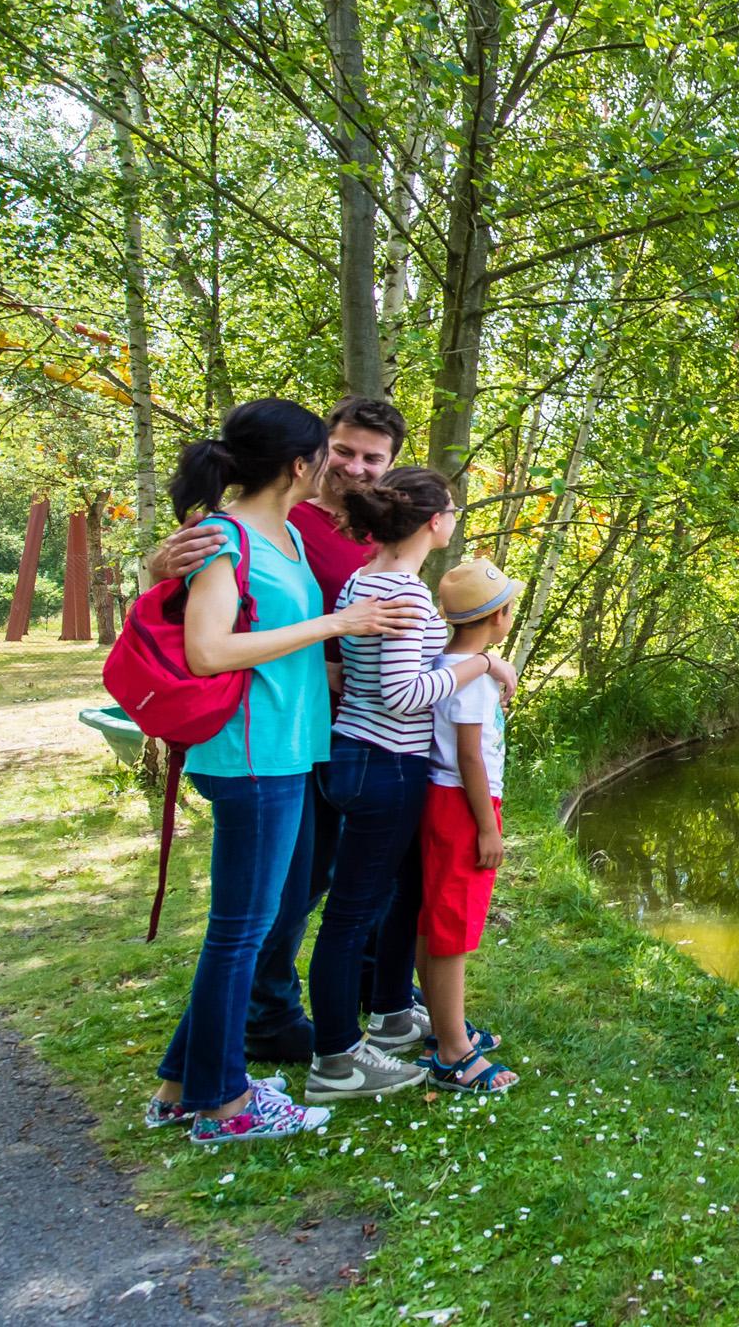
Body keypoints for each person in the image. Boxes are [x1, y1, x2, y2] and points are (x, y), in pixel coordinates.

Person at [143, 399, 413, 1143]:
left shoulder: (288, 533)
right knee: (240, 933)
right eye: (331, 453)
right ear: (304, 462)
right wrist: (337, 624)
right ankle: (225, 1105)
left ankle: (177, 1086)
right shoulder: (227, 538)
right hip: (251, 756)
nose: (341, 466)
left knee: (255, 926)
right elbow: (208, 650)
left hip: (294, 752)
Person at [304, 468, 515, 1102]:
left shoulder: (364, 580)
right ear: (433, 521)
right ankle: (336, 1059)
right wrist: (480, 663)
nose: (454, 519)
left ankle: (395, 1013)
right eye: (450, 509)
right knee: (351, 916)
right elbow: (402, 695)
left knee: (399, 900)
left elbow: (356, 674)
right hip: (382, 764)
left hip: (372, 757)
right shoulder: (402, 592)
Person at [419, 558, 523, 1093]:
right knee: (453, 930)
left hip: (446, 800)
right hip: (464, 804)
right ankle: (453, 1050)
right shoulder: (473, 683)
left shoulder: (450, 662)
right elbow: (470, 758)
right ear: (499, 617)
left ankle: (444, 1029)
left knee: (435, 920)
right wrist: (488, 827)